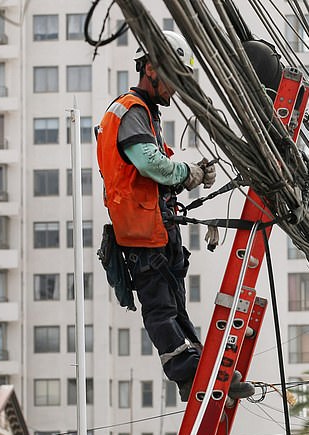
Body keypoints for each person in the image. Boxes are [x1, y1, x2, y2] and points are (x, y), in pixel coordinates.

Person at [95, 30, 254, 402]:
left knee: (174, 304)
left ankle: (197, 369)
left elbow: (156, 174)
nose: (175, 88)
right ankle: (187, 370)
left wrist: (190, 174)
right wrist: (186, 173)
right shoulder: (131, 110)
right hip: (142, 233)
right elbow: (151, 164)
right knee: (161, 307)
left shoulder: (146, 115)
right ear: (150, 68)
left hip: (156, 228)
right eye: (172, 76)